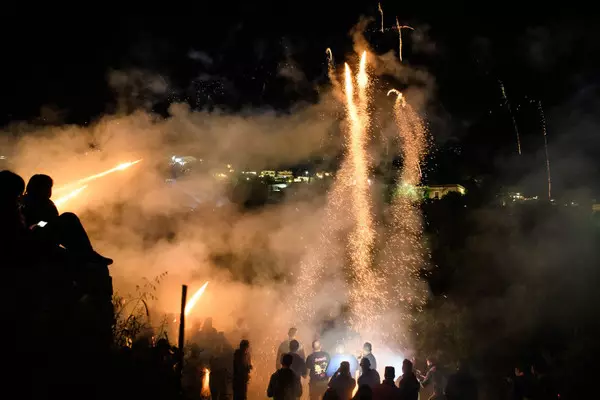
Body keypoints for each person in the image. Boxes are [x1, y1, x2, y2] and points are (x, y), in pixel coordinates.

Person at [21, 174, 113, 265]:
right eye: (47, 187)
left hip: (43, 233)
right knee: (68, 218)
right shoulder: (28, 202)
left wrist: (50, 221)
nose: (49, 191)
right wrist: (47, 222)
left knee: (68, 217)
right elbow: (33, 225)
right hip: (35, 238)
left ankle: (86, 253)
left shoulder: (44, 202)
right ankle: (87, 254)